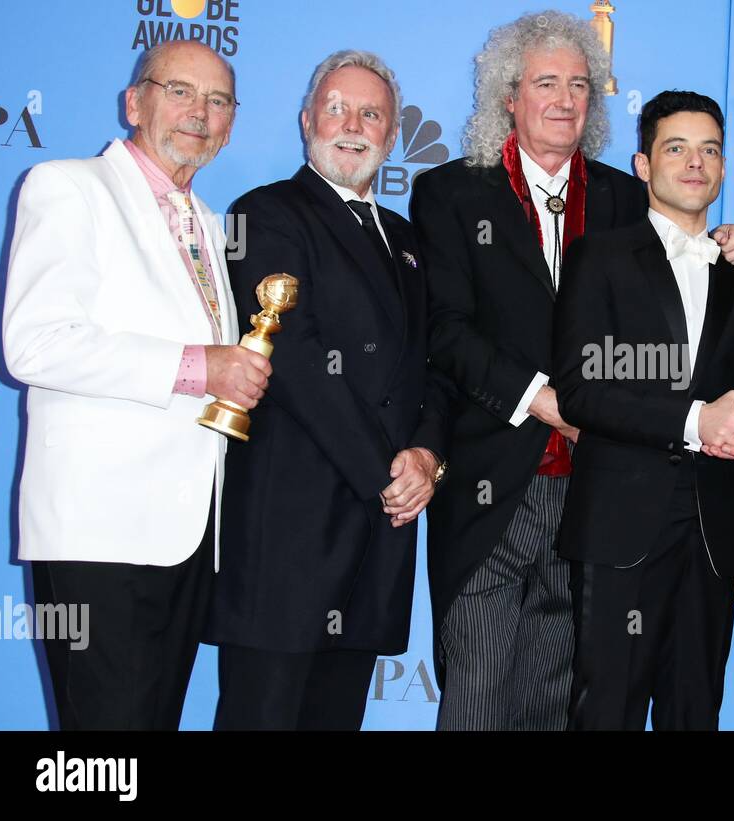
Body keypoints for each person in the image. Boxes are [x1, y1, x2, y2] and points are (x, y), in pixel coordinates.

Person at [409, 10, 734, 730]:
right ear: (510, 96)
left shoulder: (628, 195)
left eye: (580, 84)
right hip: (492, 480)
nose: (566, 98)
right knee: (475, 696)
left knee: (556, 697)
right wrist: (540, 399)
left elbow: (686, 289)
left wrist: (733, 246)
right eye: (546, 83)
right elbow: (445, 330)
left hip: (603, 493)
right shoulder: (450, 193)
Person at [2, 40, 263, 729]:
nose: (198, 114)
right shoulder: (68, 186)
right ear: (134, 101)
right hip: (100, 532)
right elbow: (35, 343)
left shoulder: (208, 222)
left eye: (217, 101)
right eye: (179, 92)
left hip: (184, 532)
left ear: (232, 123)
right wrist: (200, 365)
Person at [205, 50, 449, 730]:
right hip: (287, 542)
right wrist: (385, 475)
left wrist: (427, 457)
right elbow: (292, 357)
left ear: (392, 135)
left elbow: (433, 365)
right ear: (307, 118)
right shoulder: (266, 213)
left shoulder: (406, 239)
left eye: (371, 113)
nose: (352, 124)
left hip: (375, 543)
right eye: (337, 107)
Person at [553, 90, 734, 730]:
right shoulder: (599, 257)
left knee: (695, 709)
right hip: (622, 522)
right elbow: (582, 391)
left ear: (724, 167)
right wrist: (692, 420)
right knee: (607, 712)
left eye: (710, 150)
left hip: (711, 531)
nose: (695, 163)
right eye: (676, 148)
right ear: (644, 165)